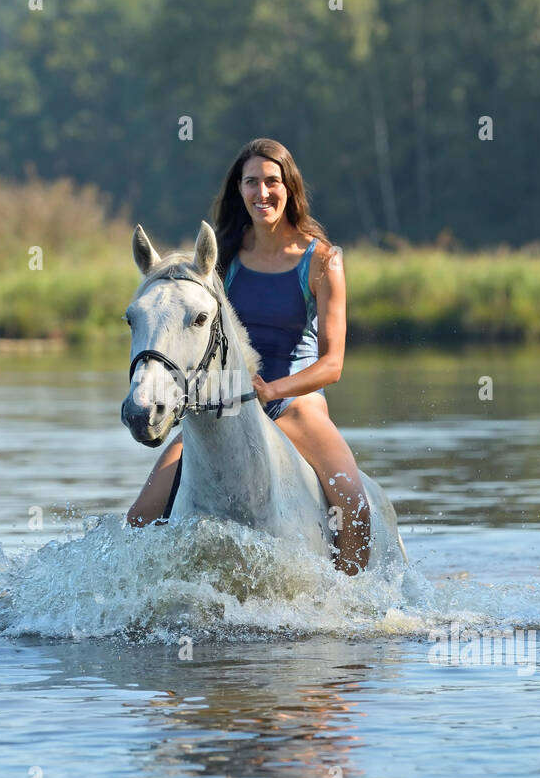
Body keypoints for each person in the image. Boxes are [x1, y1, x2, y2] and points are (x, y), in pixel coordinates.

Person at [125, 137, 371, 575]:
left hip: (295, 402)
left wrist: (271, 389)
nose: (262, 192)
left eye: (272, 181)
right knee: (140, 516)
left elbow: (333, 364)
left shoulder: (323, 260)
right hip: (224, 401)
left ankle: (353, 608)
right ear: (238, 190)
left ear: (289, 187)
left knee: (354, 506)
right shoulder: (223, 258)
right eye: (251, 182)